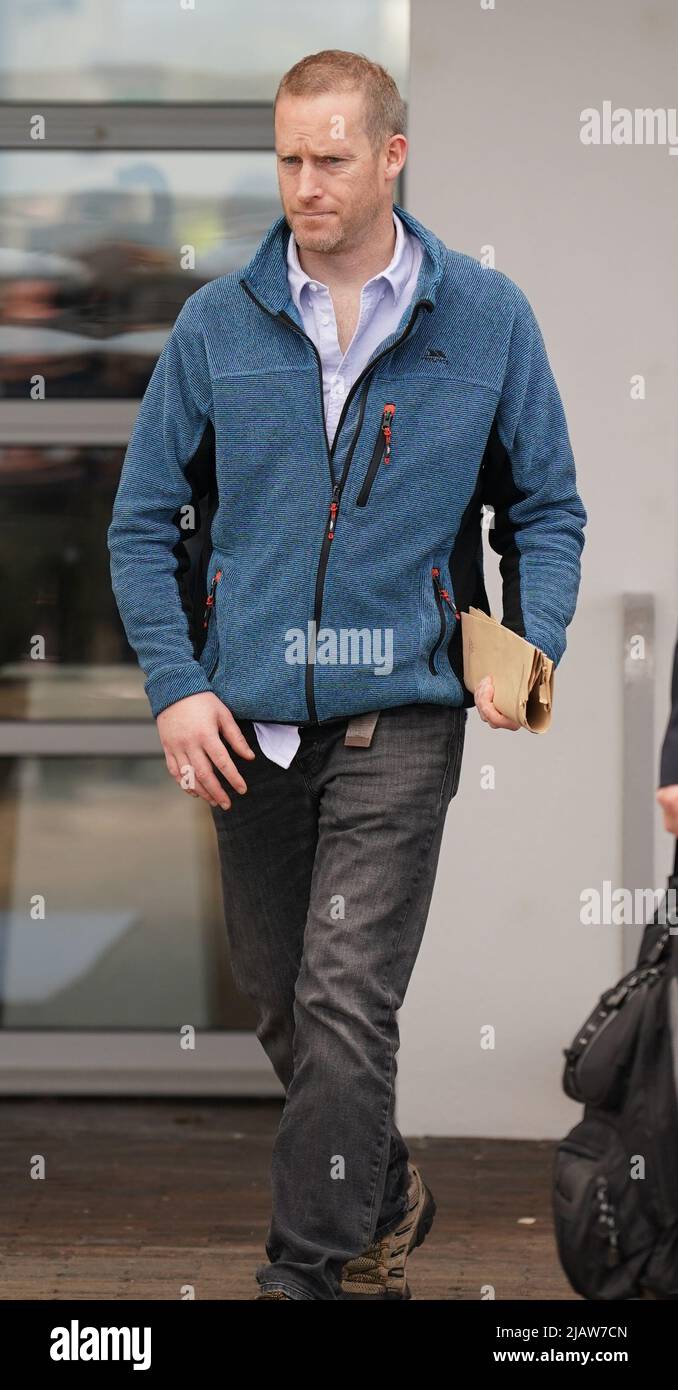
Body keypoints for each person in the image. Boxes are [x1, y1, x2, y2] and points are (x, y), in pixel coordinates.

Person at [107, 49, 587, 1301]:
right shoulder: (219, 325)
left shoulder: (485, 319)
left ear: (392, 157)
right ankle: (385, 1194)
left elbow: (545, 508)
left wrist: (532, 651)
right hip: (248, 723)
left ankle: (313, 1271)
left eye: (330, 158)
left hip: (406, 712)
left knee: (342, 997)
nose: (304, 184)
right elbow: (138, 522)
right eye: (287, 159)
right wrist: (176, 682)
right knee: (284, 1003)